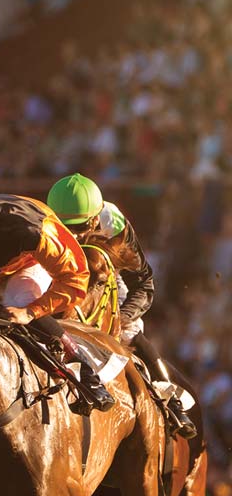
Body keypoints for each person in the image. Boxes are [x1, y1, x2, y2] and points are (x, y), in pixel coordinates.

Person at [0, 157, 115, 412]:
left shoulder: (28, 228)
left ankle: (83, 367)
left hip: (28, 266)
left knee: (13, 304)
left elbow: (76, 278)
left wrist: (29, 312)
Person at [46, 173, 197, 438]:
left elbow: (144, 283)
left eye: (81, 226)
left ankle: (171, 402)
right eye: (66, 226)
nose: (74, 235)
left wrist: (122, 317)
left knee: (129, 332)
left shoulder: (113, 224)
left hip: (106, 275)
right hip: (61, 276)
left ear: (95, 218)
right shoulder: (44, 223)